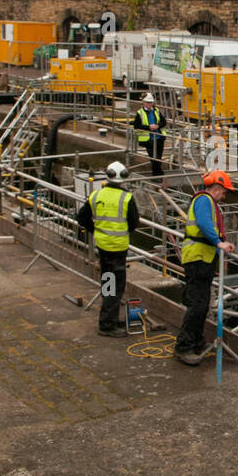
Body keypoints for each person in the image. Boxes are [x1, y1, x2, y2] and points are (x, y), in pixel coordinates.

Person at [174, 169, 235, 366]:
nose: (224, 197)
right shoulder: (204, 200)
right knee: (197, 304)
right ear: (216, 188)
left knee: (202, 303)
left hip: (203, 259)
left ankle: (197, 341)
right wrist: (219, 243)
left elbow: (208, 225)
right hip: (197, 258)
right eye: (224, 192)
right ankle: (184, 347)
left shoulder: (208, 202)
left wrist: (221, 242)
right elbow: (203, 223)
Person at [76, 161, 140, 337]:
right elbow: (134, 223)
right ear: (124, 178)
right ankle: (106, 325)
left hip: (103, 246)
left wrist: (96, 229)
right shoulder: (126, 198)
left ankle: (109, 318)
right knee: (115, 286)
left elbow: (81, 218)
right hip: (118, 249)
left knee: (107, 283)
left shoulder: (96, 195)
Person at [133, 92, 168, 178]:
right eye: (148, 102)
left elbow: (164, 122)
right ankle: (157, 175)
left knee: (158, 158)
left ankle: (158, 175)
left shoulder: (156, 111)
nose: (149, 104)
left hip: (159, 138)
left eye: (151, 102)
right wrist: (149, 127)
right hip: (148, 140)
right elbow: (136, 126)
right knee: (153, 158)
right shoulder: (140, 113)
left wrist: (158, 125)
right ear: (144, 102)